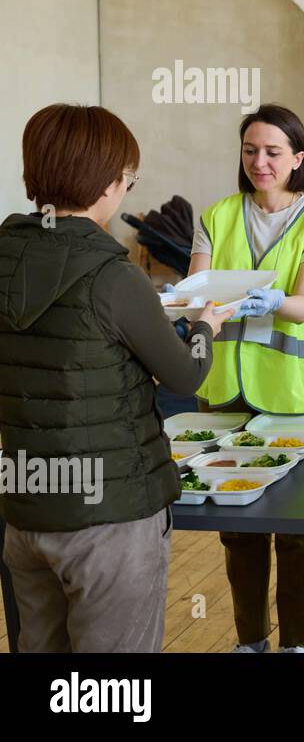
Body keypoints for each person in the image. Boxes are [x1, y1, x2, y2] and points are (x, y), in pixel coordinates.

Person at [0, 103, 226, 652]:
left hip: (25, 510)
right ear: (105, 183)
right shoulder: (113, 276)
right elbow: (183, 376)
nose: (126, 187)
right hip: (109, 520)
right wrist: (203, 326)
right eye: (128, 177)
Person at [189, 104, 304, 653]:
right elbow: (196, 299)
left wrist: (274, 299)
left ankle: (295, 646)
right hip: (226, 394)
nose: (259, 161)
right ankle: (249, 643)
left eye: (273, 152)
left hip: (297, 399)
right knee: (237, 530)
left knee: (299, 531)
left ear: (298, 159)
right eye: (250, 150)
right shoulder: (215, 217)